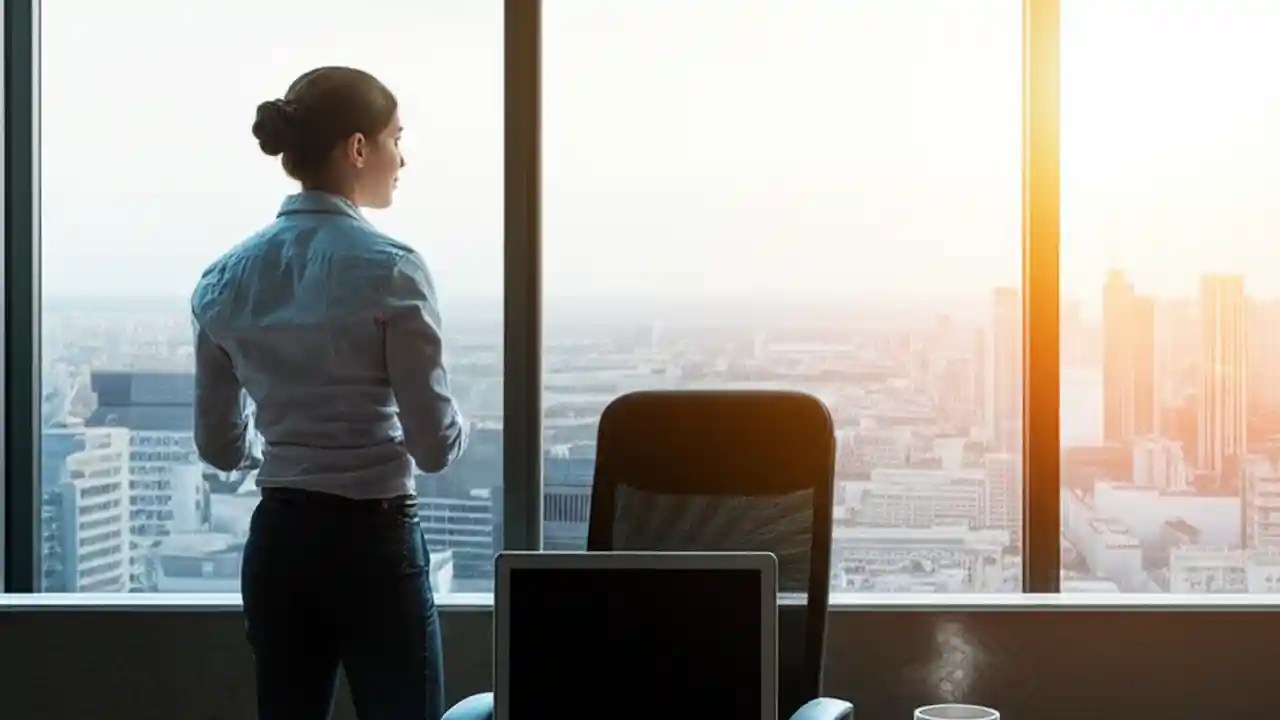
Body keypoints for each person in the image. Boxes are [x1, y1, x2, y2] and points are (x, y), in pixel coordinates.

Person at [191, 66, 468, 720]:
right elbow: (433, 448)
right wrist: (463, 430)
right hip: (376, 544)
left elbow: (220, 447)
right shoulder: (392, 269)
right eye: (397, 138)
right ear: (358, 149)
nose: (403, 158)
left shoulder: (222, 279)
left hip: (280, 541)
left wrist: (285, 448)